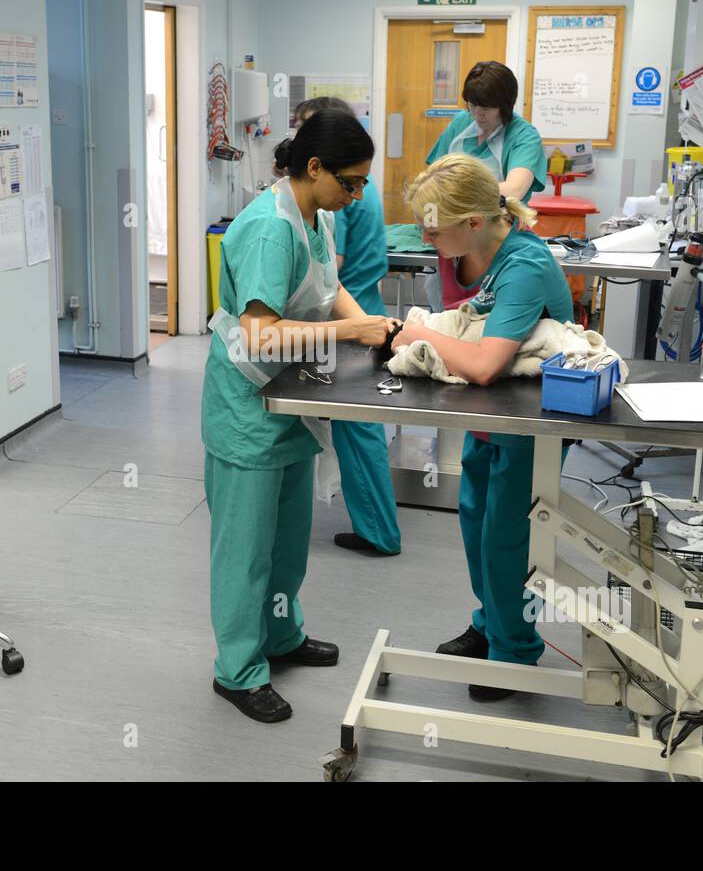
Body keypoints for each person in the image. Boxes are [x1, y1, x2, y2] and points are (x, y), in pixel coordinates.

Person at [203, 109, 397, 722]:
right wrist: (349, 330)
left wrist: (372, 329)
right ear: (313, 168)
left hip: (290, 398)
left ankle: (282, 636)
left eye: (364, 183)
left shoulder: (316, 214)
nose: (357, 193)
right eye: (352, 181)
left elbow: (326, 284)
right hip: (249, 405)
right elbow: (259, 336)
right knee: (246, 551)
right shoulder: (269, 229)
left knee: (288, 546)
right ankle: (237, 671)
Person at [395, 153, 572, 700]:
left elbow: (485, 362)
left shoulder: (525, 264)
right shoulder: (456, 252)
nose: (427, 240)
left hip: (533, 415)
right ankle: (489, 622)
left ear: (474, 223)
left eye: (434, 229)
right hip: (486, 411)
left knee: (506, 535)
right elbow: (464, 335)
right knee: (473, 517)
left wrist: (414, 332)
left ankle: (515, 651)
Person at [289, 97, 400, 557]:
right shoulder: (360, 185)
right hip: (360, 304)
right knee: (361, 423)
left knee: (357, 426)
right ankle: (378, 525)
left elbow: (328, 269)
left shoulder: (340, 195)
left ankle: (378, 531)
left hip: (348, 311)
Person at [425, 60, 549, 311]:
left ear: (505, 106)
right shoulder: (461, 122)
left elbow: (514, 190)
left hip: (497, 243)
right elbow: (431, 179)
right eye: (473, 105)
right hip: (455, 238)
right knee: (450, 316)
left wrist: (455, 191)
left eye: (486, 108)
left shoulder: (523, 135)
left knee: (490, 317)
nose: (477, 114)